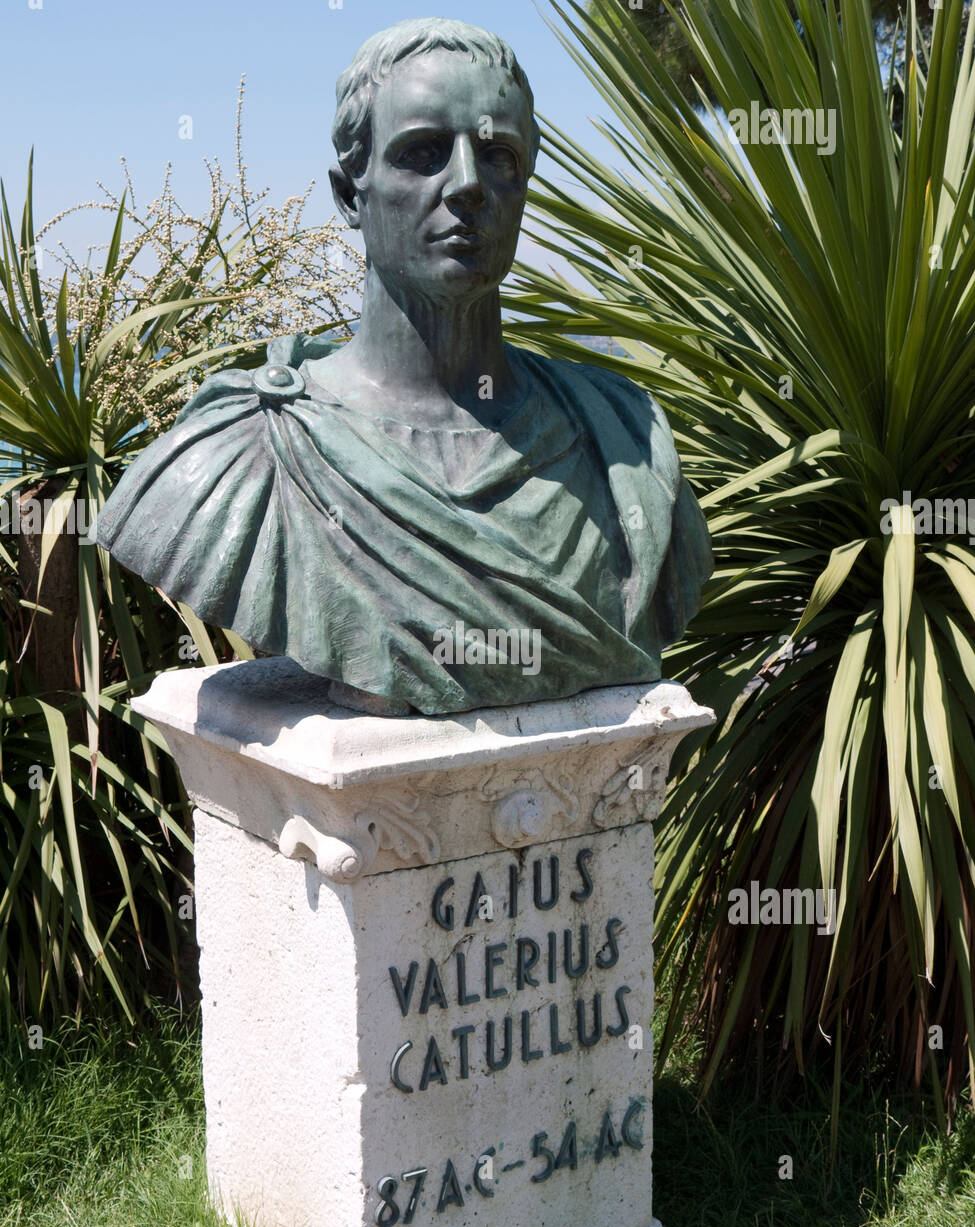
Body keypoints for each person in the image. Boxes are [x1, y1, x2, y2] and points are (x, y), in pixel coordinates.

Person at [96, 18, 713, 716]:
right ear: (347, 195)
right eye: (422, 153)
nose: (467, 185)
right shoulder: (233, 460)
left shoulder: (623, 445)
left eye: (498, 156)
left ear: (523, 187)